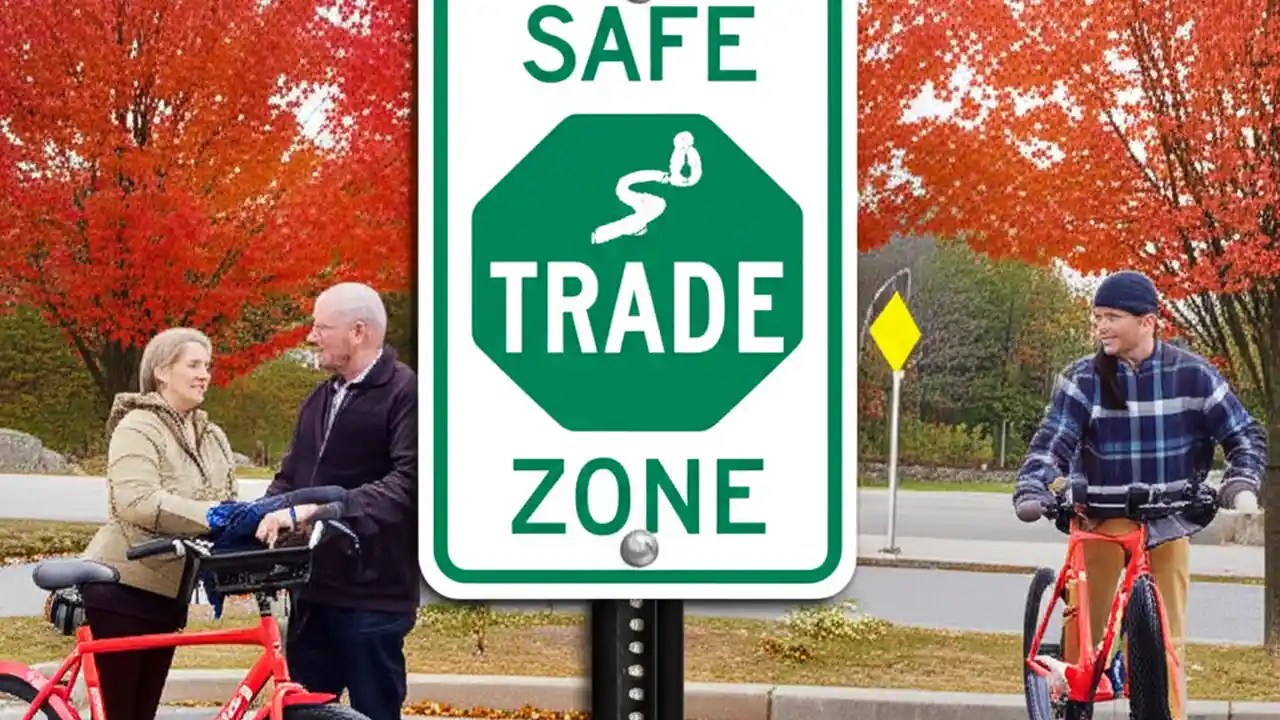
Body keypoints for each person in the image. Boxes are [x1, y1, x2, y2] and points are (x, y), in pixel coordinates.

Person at [1012, 270, 1266, 720]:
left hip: (1168, 522)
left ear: (1147, 322)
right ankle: (1076, 702)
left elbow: (1244, 434)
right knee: (1084, 636)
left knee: (1168, 639)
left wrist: (1240, 481)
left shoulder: (1193, 375)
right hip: (1099, 522)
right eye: (1097, 317)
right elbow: (1052, 441)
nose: (1101, 327)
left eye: (1111, 317)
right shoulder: (1082, 378)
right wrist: (1034, 486)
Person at [254, 281, 417, 720]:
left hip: (374, 596)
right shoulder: (320, 398)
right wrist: (252, 520)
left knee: (374, 713)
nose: (311, 337)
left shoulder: (407, 393)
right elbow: (290, 478)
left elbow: (408, 484)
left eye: (321, 327)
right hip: (311, 592)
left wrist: (330, 509)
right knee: (301, 711)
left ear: (358, 332)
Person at [78, 328, 241, 720]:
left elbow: (230, 503)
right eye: (193, 364)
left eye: (207, 365)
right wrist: (214, 516)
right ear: (162, 372)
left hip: (171, 593)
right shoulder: (137, 426)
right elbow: (137, 501)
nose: (205, 374)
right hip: (123, 587)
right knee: (121, 712)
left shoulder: (212, 436)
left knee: (143, 712)